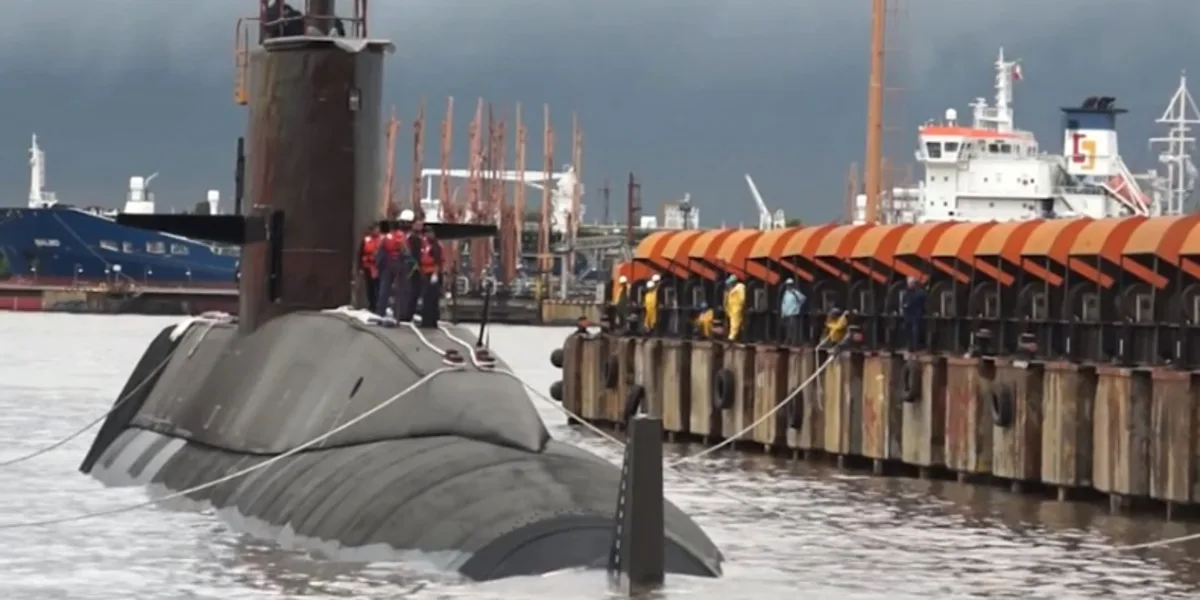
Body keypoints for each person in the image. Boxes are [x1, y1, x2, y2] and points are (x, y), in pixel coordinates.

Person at [405, 218, 444, 327]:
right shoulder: (424, 243)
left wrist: (436, 274)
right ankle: (426, 319)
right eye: (426, 233)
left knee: (432, 298)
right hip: (425, 273)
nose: (427, 235)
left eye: (429, 233)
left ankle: (432, 321)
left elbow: (438, 261)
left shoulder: (436, 246)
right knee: (426, 298)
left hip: (433, 274)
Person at [374, 219, 411, 317]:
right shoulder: (403, 237)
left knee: (384, 288)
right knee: (401, 290)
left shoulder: (386, 237)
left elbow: (380, 253)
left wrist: (378, 266)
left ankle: (381, 311)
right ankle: (399, 313)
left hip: (388, 263)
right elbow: (406, 252)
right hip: (400, 264)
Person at [358, 224, 382, 313]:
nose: (377, 231)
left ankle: (378, 305)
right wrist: (360, 267)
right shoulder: (366, 240)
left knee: (378, 287)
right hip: (368, 266)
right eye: (375, 229)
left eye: (378, 229)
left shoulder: (382, 239)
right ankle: (371, 305)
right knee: (370, 287)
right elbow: (360, 254)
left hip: (378, 267)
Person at [901, 275, 926, 351]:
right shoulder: (906, 293)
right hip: (908, 316)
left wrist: (909, 303)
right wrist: (904, 306)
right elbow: (903, 302)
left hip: (916, 316)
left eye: (911, 283)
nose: (910, 285)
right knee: (908, 332)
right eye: (909, 283)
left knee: (915, 332)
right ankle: (909, 347)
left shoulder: (919, 293)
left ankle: (916, 347)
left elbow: (921, 301)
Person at [779, 278, 805, 345]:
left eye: (790, 285)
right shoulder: (785, 293)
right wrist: (783, 313)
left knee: (793, 329)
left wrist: (798, 306)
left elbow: (803, 299)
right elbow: (783, 304)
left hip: (793, 314)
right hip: (786, 314)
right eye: (787, 285)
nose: (788, 286)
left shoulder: (795, 293)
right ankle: (788, 342)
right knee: (787, 329)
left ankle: (793, 343)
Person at [723, 275, 746, 342]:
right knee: (737, 322)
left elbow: (742, 297)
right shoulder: (732, 289)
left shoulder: (740, 287)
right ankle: (739, 336)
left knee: (735, 322)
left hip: (737, 307)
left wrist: (741, 305)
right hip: (732, 307)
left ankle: (732, 337)